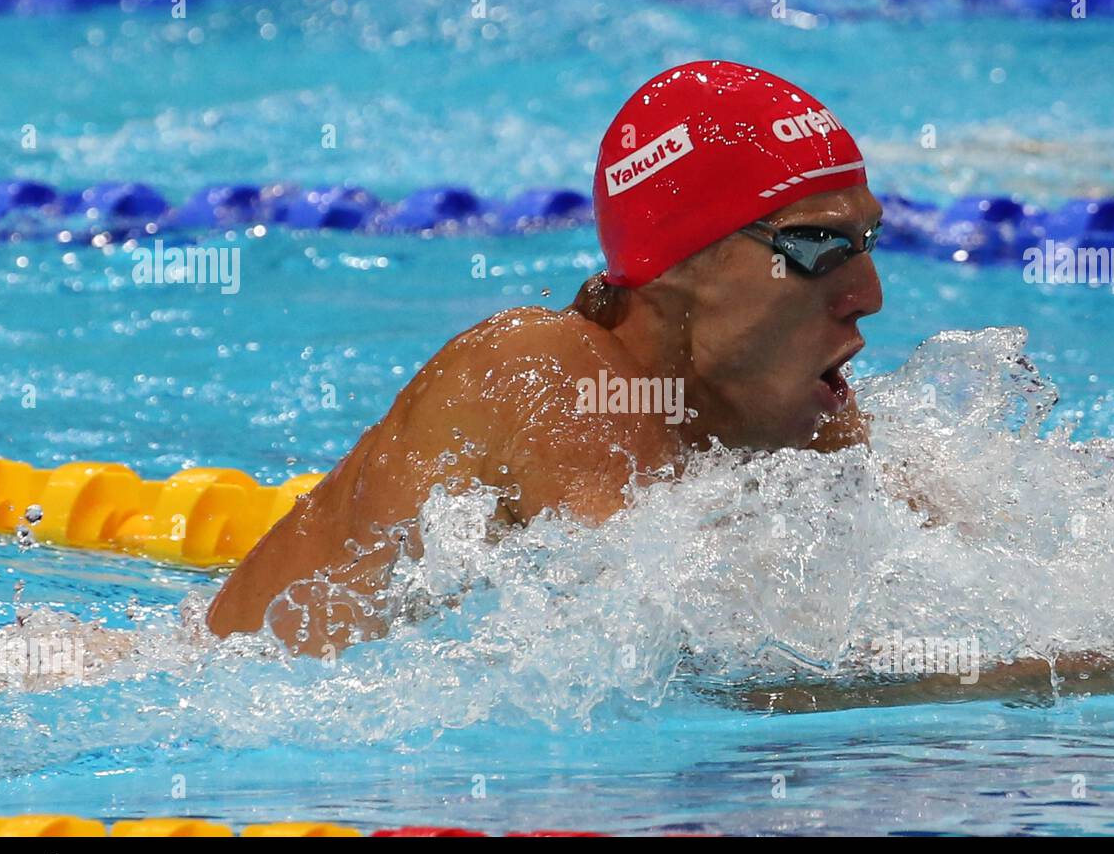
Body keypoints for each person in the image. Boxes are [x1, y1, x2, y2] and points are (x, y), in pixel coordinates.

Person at [205, 60, 884, 657]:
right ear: (678, 264)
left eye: (868, 242)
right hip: (216, 740)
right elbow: (692, 666)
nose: (866, 295)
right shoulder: (541, 368)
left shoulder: (788, 407)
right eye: (817, 248)